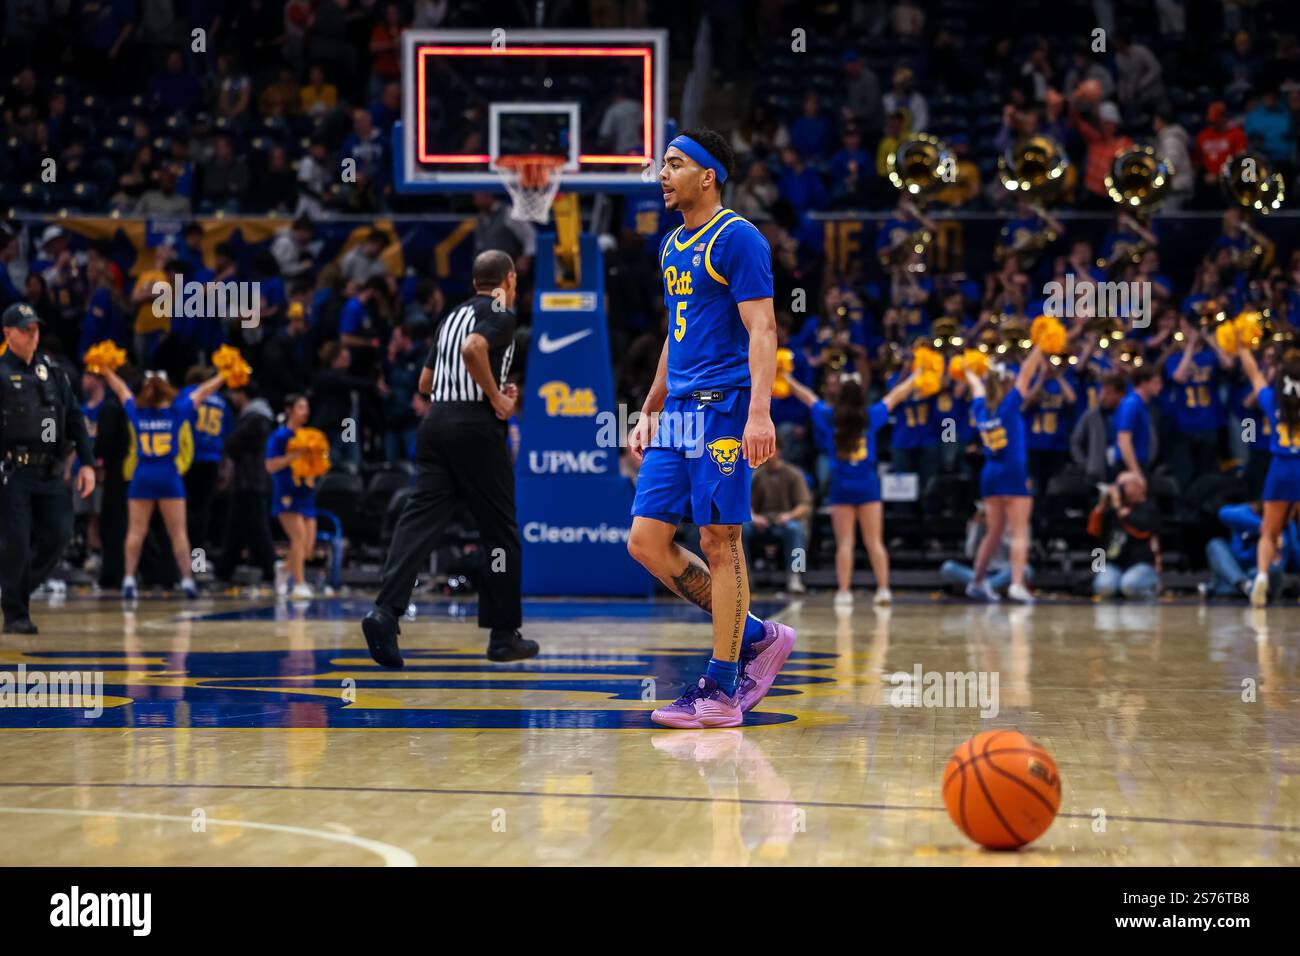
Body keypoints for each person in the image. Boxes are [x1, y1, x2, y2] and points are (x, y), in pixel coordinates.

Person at [625, 127, 796, 730]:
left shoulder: (738, 238)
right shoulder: (673, 246)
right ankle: (758, 635)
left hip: (725, 408)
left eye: (673, 164)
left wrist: (759, 412)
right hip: (678, 412)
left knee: (720, 542)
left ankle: (720, 690)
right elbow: (678, 335)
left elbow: (764, 328)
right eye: (661, 165)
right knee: (645, 541)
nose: (662, 175)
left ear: (707, 175)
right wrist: (650, 407)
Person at [360, 250, 537, 666]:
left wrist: (492, 388)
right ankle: (502, 636)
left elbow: (425, 382)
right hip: (475, 427)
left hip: (436, 423)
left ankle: (385, 612)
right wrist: (497, 399)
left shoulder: (450, 317)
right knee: (500, 532)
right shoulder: (501, 312)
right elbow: (475, 349)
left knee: (419, 521)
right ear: (508, 279)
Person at [0, 303, 97, 634]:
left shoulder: (53, 372)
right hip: (12, 471)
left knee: (59, 536)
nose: (33, 335)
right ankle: (15, 614)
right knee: (15, 542)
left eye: (35, 329)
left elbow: (74, 419)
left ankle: (12, 590)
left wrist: (87, 463)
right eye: (25, 329)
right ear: (8, 333)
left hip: (51, 471)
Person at [786, 369, 916, 606]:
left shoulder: (829, 416)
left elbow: (806, 396)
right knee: (874, 541)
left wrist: (784, 376)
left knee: (845, 542)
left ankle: (844, 591)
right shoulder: (870, 416)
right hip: (867, 485)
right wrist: (919, 374)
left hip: (842, 486)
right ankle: (883, 589)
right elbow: (897, 394)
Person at [98, 365, 226, 600]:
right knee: (178, 533)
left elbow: (121, 389)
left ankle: (128, 579)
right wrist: (224, 375)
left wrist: (106, 370)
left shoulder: (136, 412)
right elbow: (202, 392)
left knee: (136, 531)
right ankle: (188, 579)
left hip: (142, 475)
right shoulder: (176, 413)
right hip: (169, 476)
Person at [963, 347, 1044, 604]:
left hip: (990, 475)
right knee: (1019, 532)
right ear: (1007, 384)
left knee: (994, 533)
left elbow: (975, 386)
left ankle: (976, 582)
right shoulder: (1009, 406)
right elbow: (1027, 372)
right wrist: (1042, 345)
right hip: (1013, 472)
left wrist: (966, 369)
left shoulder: (980, 410)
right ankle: (1017, 585)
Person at [1237, 345, 1300, 606]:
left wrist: (1242, 348)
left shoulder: (1273, 402)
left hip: (1280, 468)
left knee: (1269, 532)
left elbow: (1254, 375)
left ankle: (1261, 576)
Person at [214, 384, 278, 590]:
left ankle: (273, 570)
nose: (232, 398)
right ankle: (225, 571)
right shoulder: (262, 416)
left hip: (251, 481)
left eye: (234, 393)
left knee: (257, 528)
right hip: (251, 481)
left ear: (243, 395)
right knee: (237, 529)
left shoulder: (255, 418)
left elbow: (232, 444)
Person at [742, 435, 811, 594]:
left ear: (778, 450)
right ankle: (744, 577)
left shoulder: (794, 474)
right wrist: (754, 517)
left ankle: (796, 576)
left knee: (796, 530)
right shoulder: (757, 475)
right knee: (741, 530)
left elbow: (804, 505)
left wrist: (790, 516)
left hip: (785, 522)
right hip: (762, 523)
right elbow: (746, 505)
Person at [265, 394, 319, 599]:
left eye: (306, 407)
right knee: (298, 537)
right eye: (300, 407)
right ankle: (299, 583)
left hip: (305, 492)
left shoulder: (310, 436)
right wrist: (293, 456)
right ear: (289, 410)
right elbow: (270, 465)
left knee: (307, 547)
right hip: (286, 491)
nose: (305, 411)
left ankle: (283, 568)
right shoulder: (279, 437)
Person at [179, 364, 230, 555]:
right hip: (212, 460)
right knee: (203, 513)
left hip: (188, 459)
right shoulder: (222, 401)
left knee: (182, 511)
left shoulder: (186, 394)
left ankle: (180, 562)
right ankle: (197, 564)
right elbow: (227, 432)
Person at [1201, 501, 1297, 600]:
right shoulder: (1247, 513)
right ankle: (1246, 586)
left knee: (1273, 571)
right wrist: (1263, 527)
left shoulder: (1288, 526)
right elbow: (1223, 513)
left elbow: (1289, 556)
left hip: (1257, 572)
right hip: (1235, 566)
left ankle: (1221, 587)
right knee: (1215, 544)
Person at [1088, 471, 1161, 599]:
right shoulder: (1112, 510)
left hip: (1141, 563)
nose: (1118, 488)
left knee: (1130, 585)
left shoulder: (1149, 508)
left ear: (1139, 487)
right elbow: (1093, 531)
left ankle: (1153, 587)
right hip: (1114, 563)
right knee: (1104, 587)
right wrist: (1101, 505)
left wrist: (1119, 508)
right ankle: (1119, 590)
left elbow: (1142, 530)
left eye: (1123, 485)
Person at [1114, 364, 1162, 479]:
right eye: (1156, 382)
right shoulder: (1131, 404)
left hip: (1139, 463)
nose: (1160, 387)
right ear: (1144, 383)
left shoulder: (1142, 404)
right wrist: (1135, 472)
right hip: (1129, 465)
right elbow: (1123, 440)